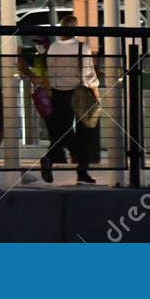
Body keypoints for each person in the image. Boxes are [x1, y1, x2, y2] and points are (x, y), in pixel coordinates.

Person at [40, 14, 98, 185]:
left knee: (63, 132)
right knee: (85, 132)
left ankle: (50, 158)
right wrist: (96, 93)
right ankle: (82, 171)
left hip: (58, 93)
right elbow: (89, 75)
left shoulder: (53, 48)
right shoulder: (82, 48)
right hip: (79, 93)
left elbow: (51, 72)